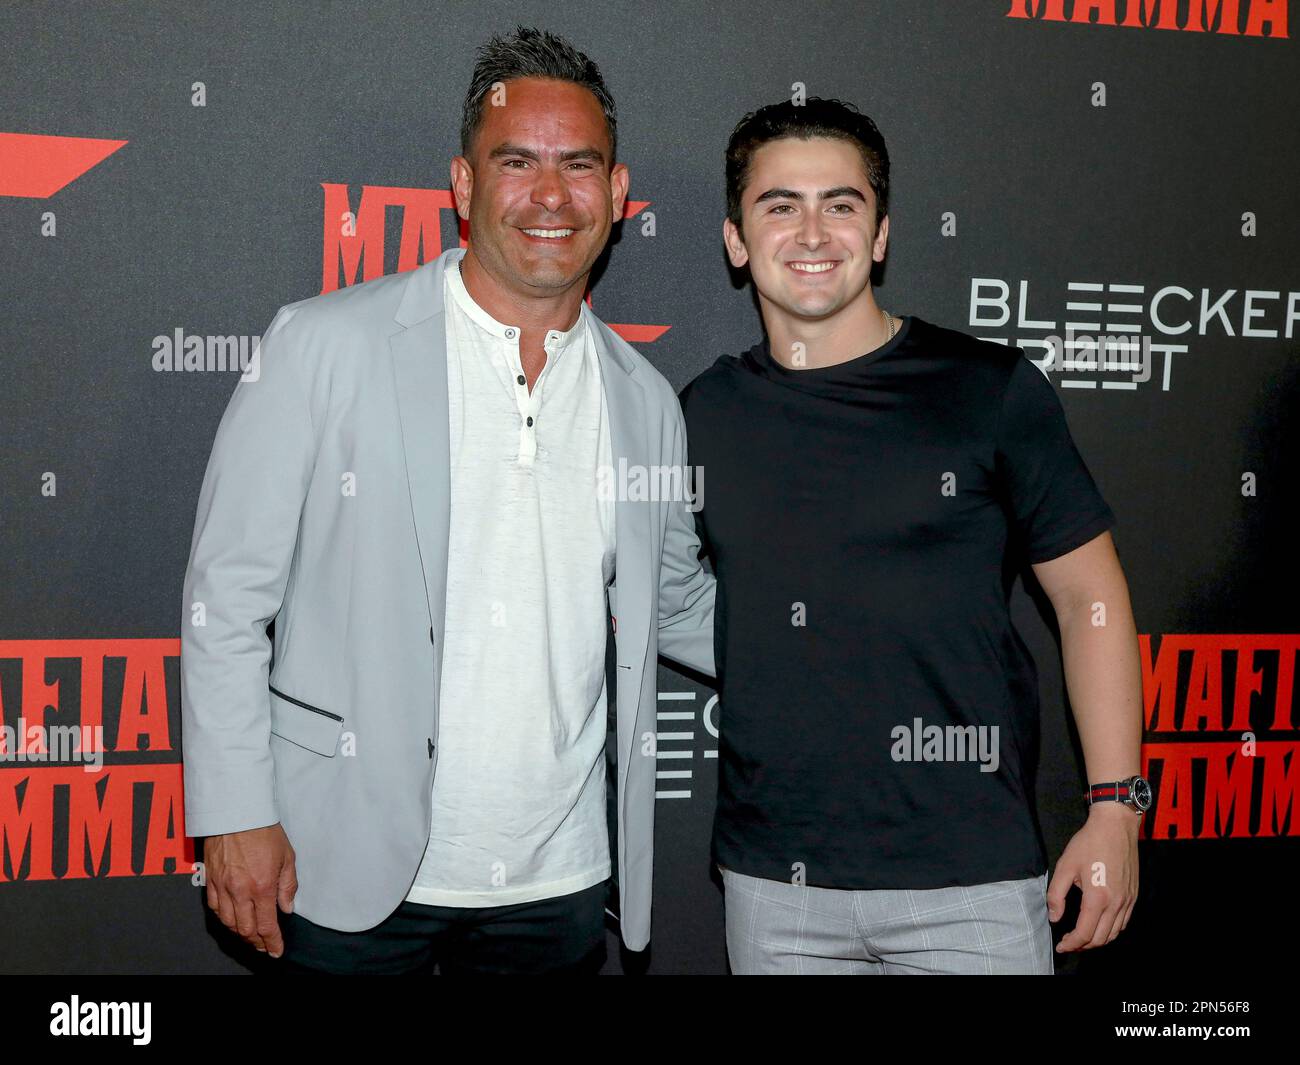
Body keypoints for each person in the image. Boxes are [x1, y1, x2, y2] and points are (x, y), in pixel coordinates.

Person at [180, 26, 714, 975]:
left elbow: (674, 603)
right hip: (340, 865)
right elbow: (227, 601)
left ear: (619, 193)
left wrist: (841, 639)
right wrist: (233, 811)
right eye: (517, 162)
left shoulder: (646, 403)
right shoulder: (322, 346)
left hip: (557, 883)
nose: (551, 195)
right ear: (464, 187)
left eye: (579, 165)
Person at [679, 97, 1146, 974]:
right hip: (774, 889)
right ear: (737, 239)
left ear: (882, 232)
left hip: (970, 885)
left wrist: (1117, 805)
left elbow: (1089, 594)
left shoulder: (988, 389)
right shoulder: (702, 414)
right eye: (780, 205)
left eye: (842, 204)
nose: (812, 230)